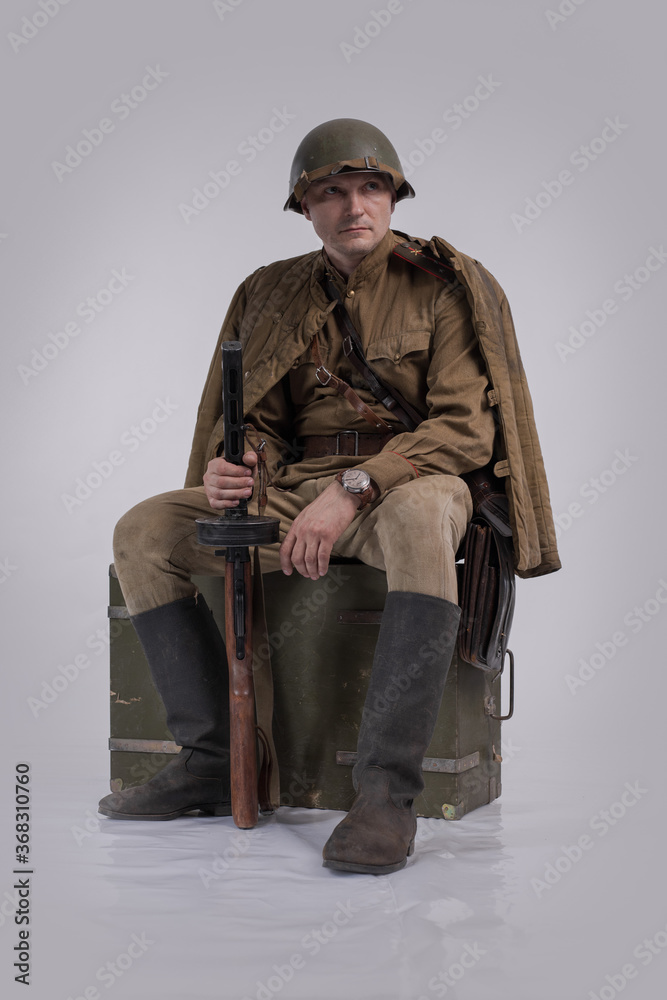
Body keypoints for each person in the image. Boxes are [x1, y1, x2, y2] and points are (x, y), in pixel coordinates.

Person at [99, 119, 560, 875]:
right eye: (331, 192)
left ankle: (383, 795)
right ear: (304, 207)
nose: (354, 205)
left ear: (393, 196)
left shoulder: (443, 287)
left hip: (410, 480)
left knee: (417, 518)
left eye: (371, 187)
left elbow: (464, 429)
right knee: (143, 531)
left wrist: (355, 488)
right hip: (294, 492)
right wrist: (238, 461)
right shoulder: (268, 291)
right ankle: (212, 760)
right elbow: (257, 421)